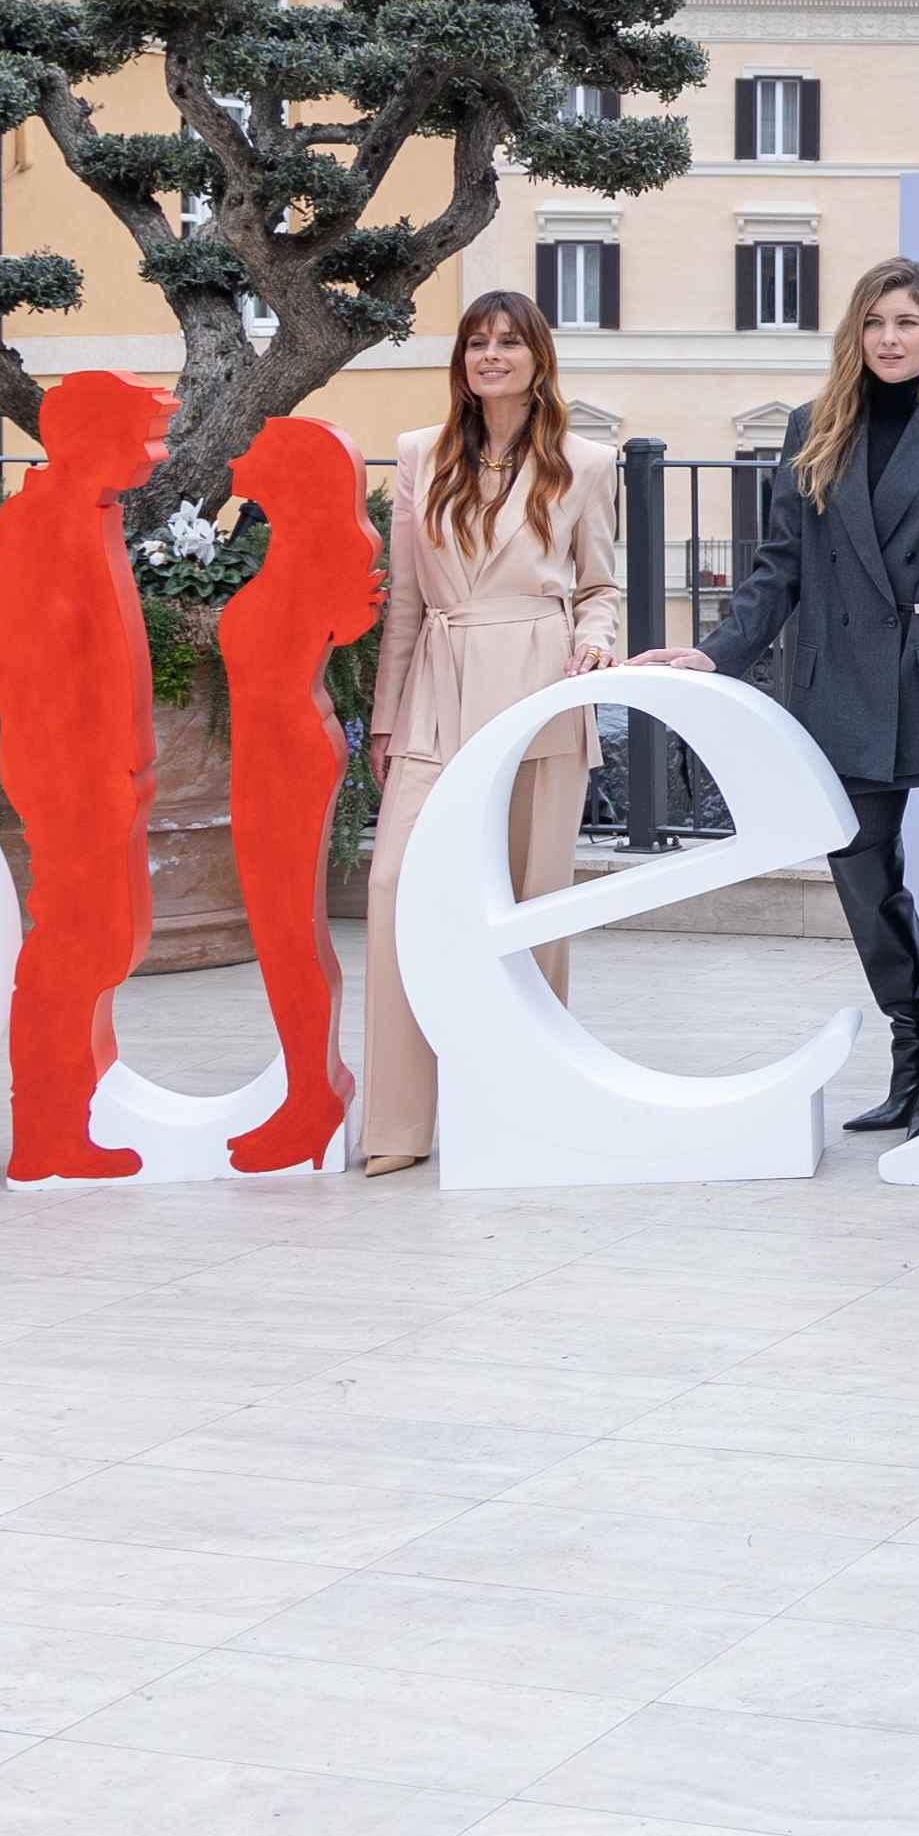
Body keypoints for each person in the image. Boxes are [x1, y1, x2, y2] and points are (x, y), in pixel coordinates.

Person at [650, 257, 919, 1139]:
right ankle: (909, 1040)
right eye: (875, 323)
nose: (891, 339)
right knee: (861, 874)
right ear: (855, 335)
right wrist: (714, 654)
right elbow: (778, 569)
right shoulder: (815, 429)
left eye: (907, 322)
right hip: (843, 684)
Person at [362, 291, 622, 1176]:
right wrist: (387, 716)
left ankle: (527, 1103)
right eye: (476, 342)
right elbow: (402, 600)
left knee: (528, 907)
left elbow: (599, 587)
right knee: (397, 885)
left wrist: (593, 643)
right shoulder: (417, 456)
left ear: (537, 356)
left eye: (509, 341)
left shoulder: (586, 463)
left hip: (541, 690)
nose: (491, 355)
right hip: (440, 680)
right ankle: (397, 1125)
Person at [0, 370, 167, 1183]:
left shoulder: (94, 515)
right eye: (142, 435)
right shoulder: (34, 522)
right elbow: (26, 673)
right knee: (73, 940)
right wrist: (88, 770)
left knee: (107, 941)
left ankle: (77, 1113)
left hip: (106, 770)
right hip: (68, 772)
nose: (154, 455)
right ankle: (46, 1128)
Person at [216, 415, 379, 1177]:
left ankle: (309, 1100)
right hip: (281, 750)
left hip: (282, 756)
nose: (236, 456)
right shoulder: (294, 555)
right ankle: (311, 1087)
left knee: (287, 935)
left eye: (257, 449)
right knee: (291, 932)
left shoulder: (298, 566)